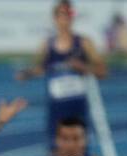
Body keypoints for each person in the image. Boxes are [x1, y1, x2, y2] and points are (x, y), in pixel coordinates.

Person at [15, 0, 107, 146]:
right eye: (62, 14)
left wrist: (83, 67)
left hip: (77, 108)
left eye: (69, 14)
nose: (66, 19)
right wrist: (26, 74)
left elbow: (103, 72)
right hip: (56, 110)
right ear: (55, 18)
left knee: (76, 154)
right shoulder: (47, 45)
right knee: (56, 151)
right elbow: (39, 69)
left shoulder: (84, 43)